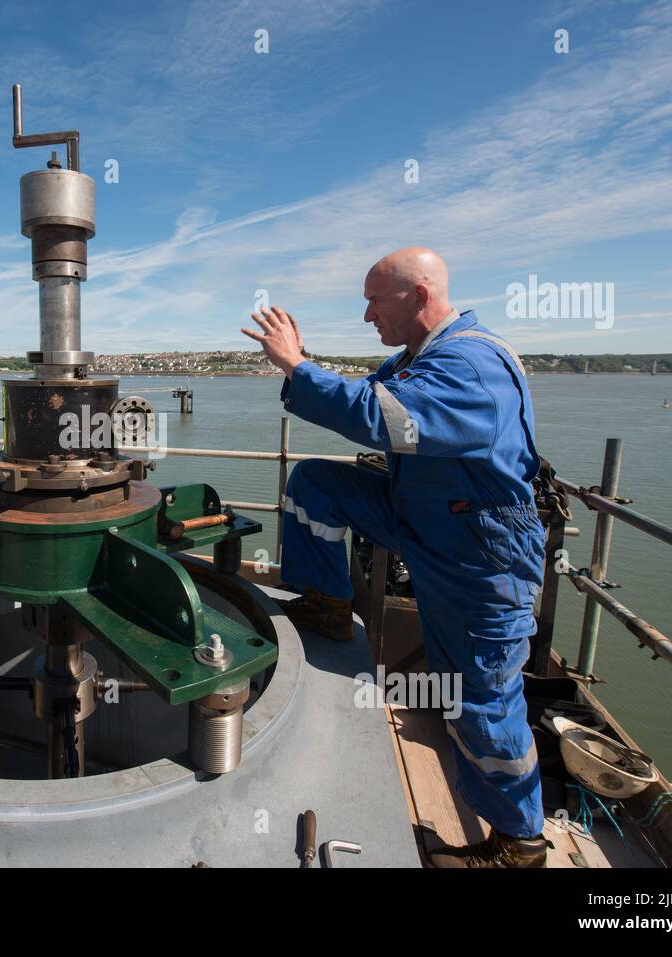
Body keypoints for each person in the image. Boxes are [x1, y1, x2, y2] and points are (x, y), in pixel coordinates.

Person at [241, 247, 549, 868]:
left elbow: (386, 419)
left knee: (480, 695)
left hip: (480, 554)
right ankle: (329, 603)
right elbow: (365, 395)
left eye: (374, 301)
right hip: (425, 522)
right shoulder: (421, 357)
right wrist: (306, 373)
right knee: (314, 485)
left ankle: (520, 843)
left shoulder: (471, 364)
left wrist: (298, 366)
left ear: (420, 296)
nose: (365, 316)